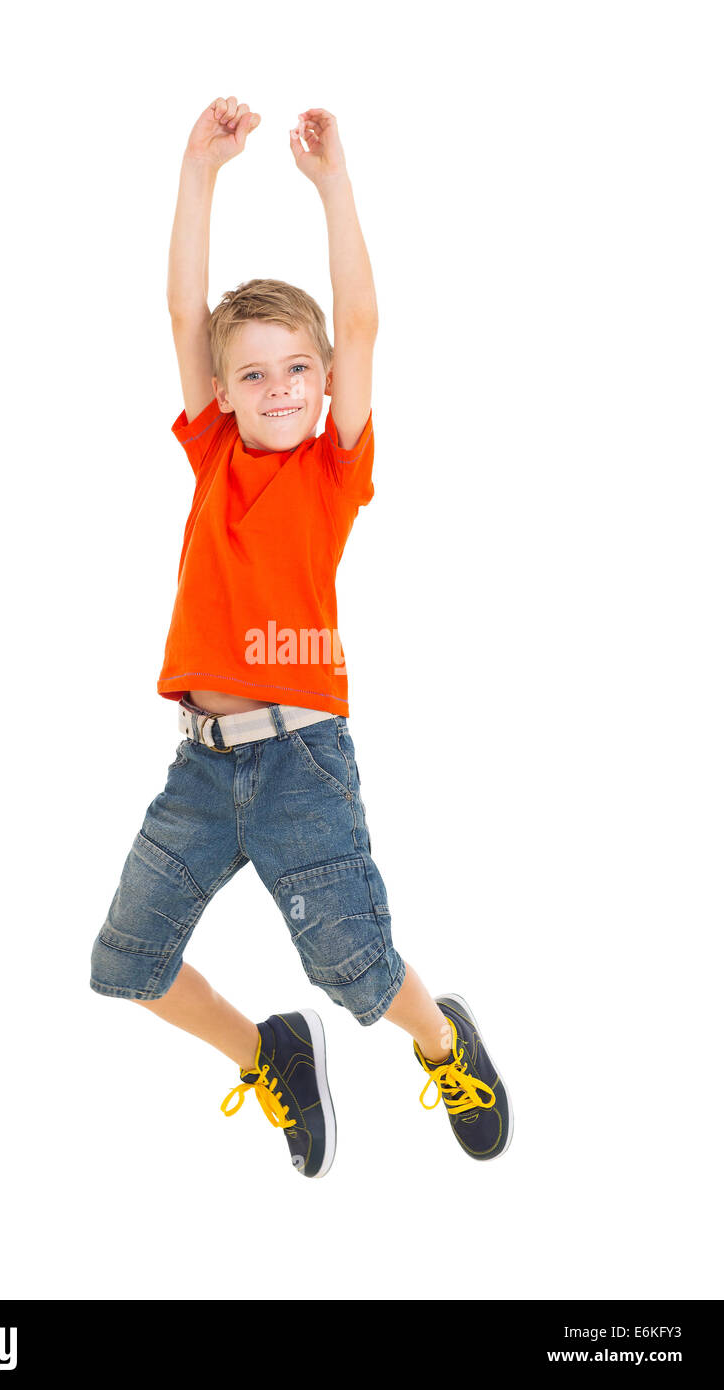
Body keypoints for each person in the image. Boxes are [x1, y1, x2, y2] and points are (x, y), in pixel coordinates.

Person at [89, 96, 512, 1175]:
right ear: (222, 395)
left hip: (301, 763)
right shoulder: (215, 455)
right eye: (252, 375)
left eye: (296, 371)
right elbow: (184, 311)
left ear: (322, 382)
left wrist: (331, 184)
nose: (276, 390)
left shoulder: (332, 471)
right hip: (199, 767)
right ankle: (267, 1055)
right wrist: (199, 172)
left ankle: (444, 1038)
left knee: (357, 972)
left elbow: (362, 322)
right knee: (128, 961)